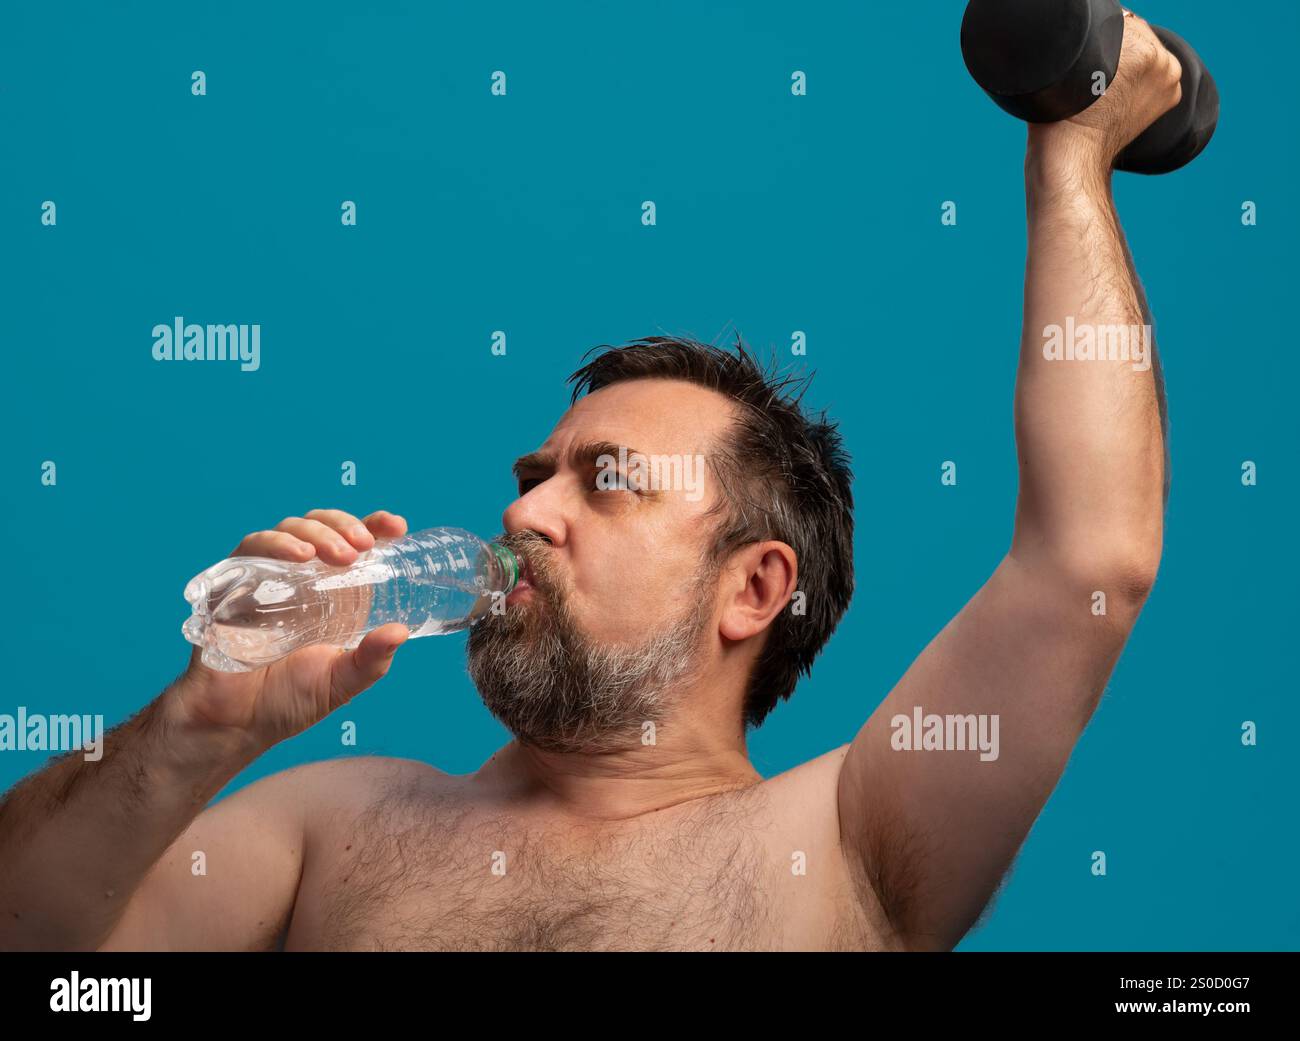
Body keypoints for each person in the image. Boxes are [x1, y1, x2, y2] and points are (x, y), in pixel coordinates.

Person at [0, 11, 1177, 952]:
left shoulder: (844, 840)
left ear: (754, 589)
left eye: (606, 482)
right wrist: (196, 725)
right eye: (534, 476)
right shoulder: (331, 826)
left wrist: (1071, 157)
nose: (523, 512)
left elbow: (1088, 560)